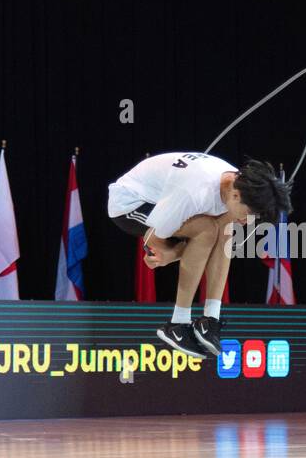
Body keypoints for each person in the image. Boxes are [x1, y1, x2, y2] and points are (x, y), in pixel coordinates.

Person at [108, 153, 291, 357]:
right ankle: (177, 323)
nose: (248, 222)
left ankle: (209, 319)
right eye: (248, 213)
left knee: (226, 230)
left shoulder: (238, 185)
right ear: (236, 195)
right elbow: (153, 242)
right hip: (130, 203)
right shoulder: (193, 192)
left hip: (168, 199)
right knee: (206, 231)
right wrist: (171, 255)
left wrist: (178, 253)